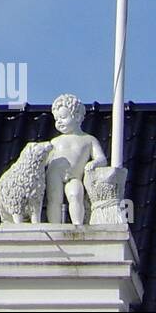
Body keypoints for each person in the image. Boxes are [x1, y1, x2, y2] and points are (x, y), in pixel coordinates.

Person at [45, 94, 106, 225]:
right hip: (54, 173)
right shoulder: (55, 142)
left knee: (76, 194)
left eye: (63, 117)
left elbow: (101, 158)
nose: (59, 122)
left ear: (77, 117)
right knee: (54, 199)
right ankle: (55, 226)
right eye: (56, 119)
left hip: (75, 176)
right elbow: (43, 159)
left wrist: (94, 163)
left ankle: (77, 226)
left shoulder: (88, 140)